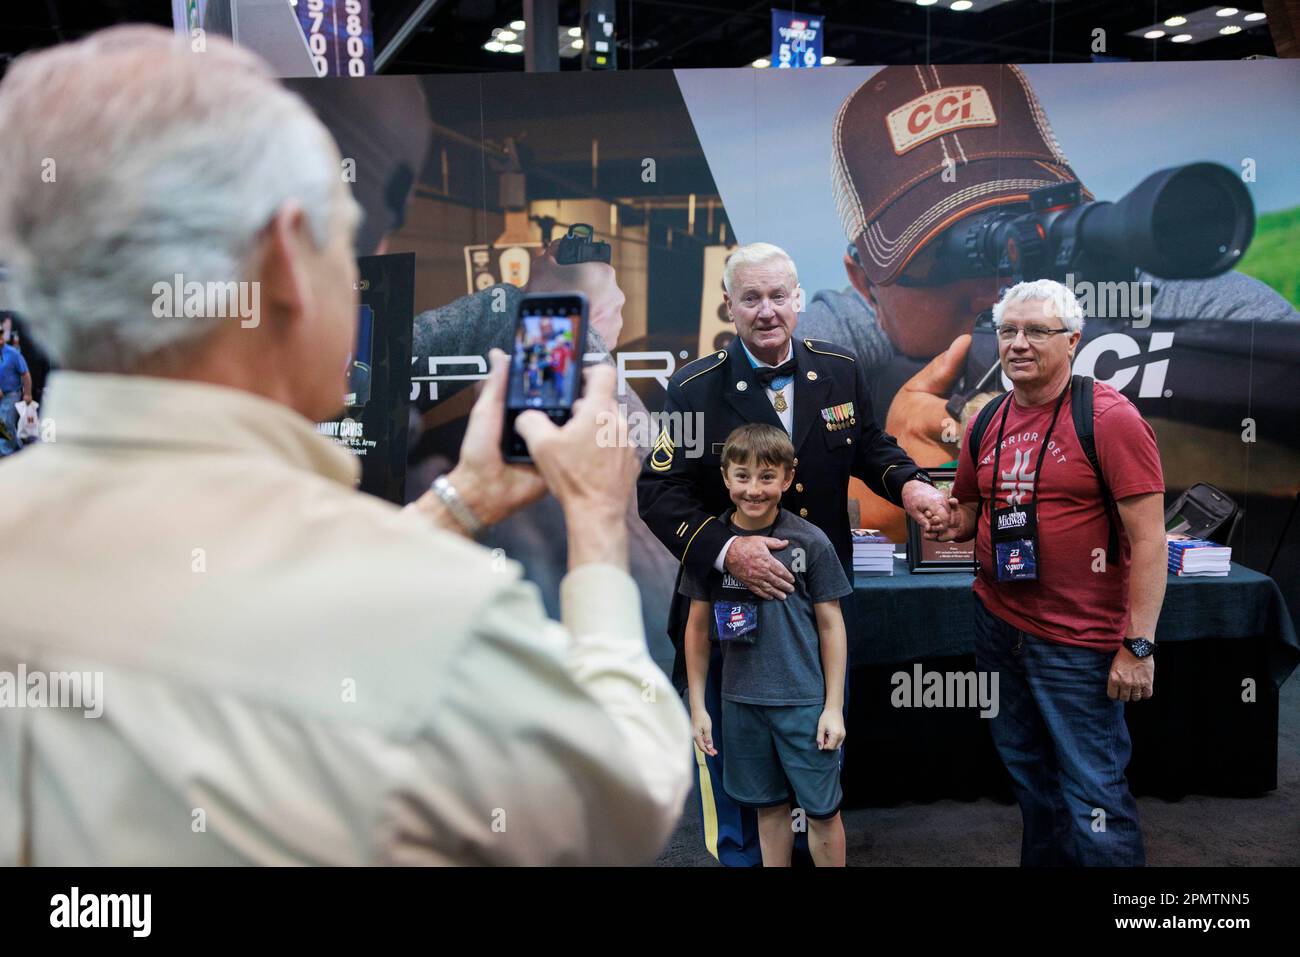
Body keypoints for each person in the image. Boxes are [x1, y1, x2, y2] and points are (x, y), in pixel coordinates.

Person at [0, 26, 691, 866]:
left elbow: (245, 611)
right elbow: (625, 795)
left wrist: (461, 502)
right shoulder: (441, 618)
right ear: (291, 258)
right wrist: (593, 517)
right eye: (354, 237)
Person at [800, 63, 1298, 540]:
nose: (992, 288)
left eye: (1022, 238)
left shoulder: (1171, 308)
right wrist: (889, 487)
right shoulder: (840, 338)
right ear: (865, 285)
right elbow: (743, 473)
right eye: (938, 258)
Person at [637, 241, 951, 865]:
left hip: (813, 610)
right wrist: (730, 551)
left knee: (815, 751)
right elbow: (659, 490)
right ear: (729, 305)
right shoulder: (695, 388)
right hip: (731, 609)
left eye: (779, 295)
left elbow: (869, 445)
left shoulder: (839, 368)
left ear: (799, 299)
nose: (766, 310)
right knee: (733, 766)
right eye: (750, 298)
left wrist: (910, 481)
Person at [929, 279, 1168, 867]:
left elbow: (1150, 540)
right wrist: (941, 518)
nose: (1017, 343)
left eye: (1036, 331)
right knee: (1032, 787)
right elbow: (968, 514)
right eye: (1007, 331)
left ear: (1074, 341)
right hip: (999, 626)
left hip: (1079, 643)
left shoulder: (1108, 418)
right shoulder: (986, 421)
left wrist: (1137, 645)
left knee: (1095, 794)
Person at [683, 424, 851, 866]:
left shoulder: (810, 541)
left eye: (766, 476)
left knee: (821, 811)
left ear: (788, 477)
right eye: (742, 476)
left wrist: (833, 706)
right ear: (725, 477)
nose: (753, 489)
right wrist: (699, 706)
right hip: (740, 702)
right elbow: (697, 629)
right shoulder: (710, 546)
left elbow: (832, 624)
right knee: (767, 808)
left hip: (804, 703)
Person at [0, 320, 33, 455]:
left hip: (11, 394)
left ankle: (5, 453)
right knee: (5, 425)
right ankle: (18, 449)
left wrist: (28, 394)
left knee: (5, 422)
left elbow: (25, 374)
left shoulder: (13, 353)